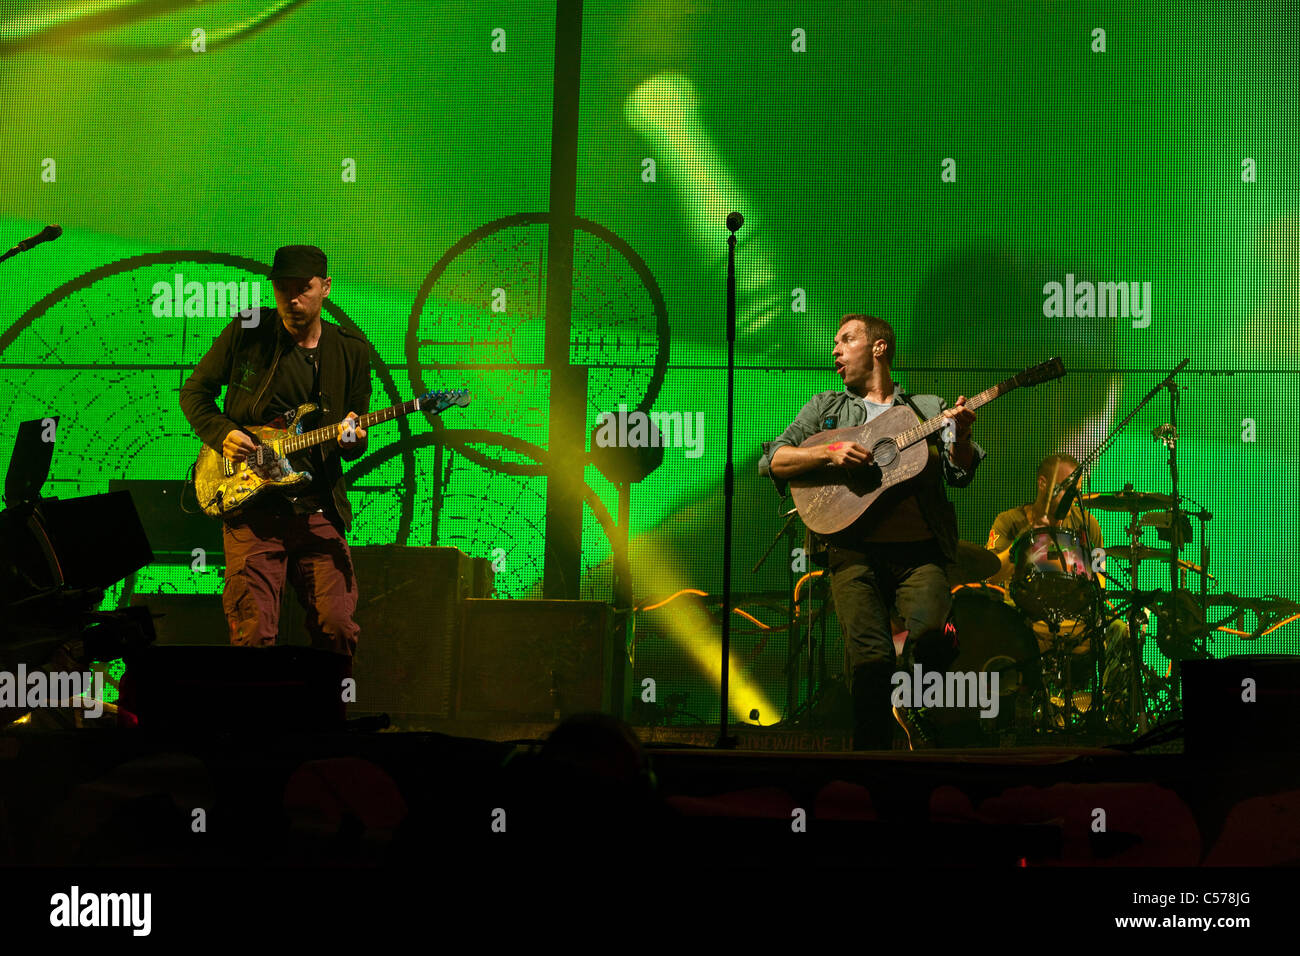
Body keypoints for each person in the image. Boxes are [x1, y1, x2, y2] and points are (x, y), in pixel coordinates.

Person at [758, 314, 984, 750]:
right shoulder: (826, 408)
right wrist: (831, 451)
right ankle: (871, 771)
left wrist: (961, 434)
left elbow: (960, 472)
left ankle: (915, 704)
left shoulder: (927, 409)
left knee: (936, 639)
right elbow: (773, 461)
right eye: (835, 343)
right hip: (852, 554)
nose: (835, 351)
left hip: (919, 553)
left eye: (846, 340)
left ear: (879, 348)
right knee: (870, 664)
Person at [180, 245, 371, 659]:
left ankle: (326, 722)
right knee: (253, 636)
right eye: (282, 289)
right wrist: (221, 433)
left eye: (302, 288)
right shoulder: (248, 331)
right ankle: (254, 725)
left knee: (337, 627)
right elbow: (195, 392)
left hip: (317, 509)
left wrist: (353, 439)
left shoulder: (351, 352)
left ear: (325, 288)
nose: (292, 299)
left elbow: (355, 436)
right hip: (253, 510)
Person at [986, 453, 1134, 729]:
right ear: (1043, 484)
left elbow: (1099, 574)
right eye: (1067, 491)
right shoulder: (1009, 521)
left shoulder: (1088, 524)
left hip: (1078, 621)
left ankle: (1110, 719)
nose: (1072, 499)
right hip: (1026, 623)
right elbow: (992, 571)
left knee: (1120, 630)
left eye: (1076, 493)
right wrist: (1027, 536)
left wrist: (1092, 595)